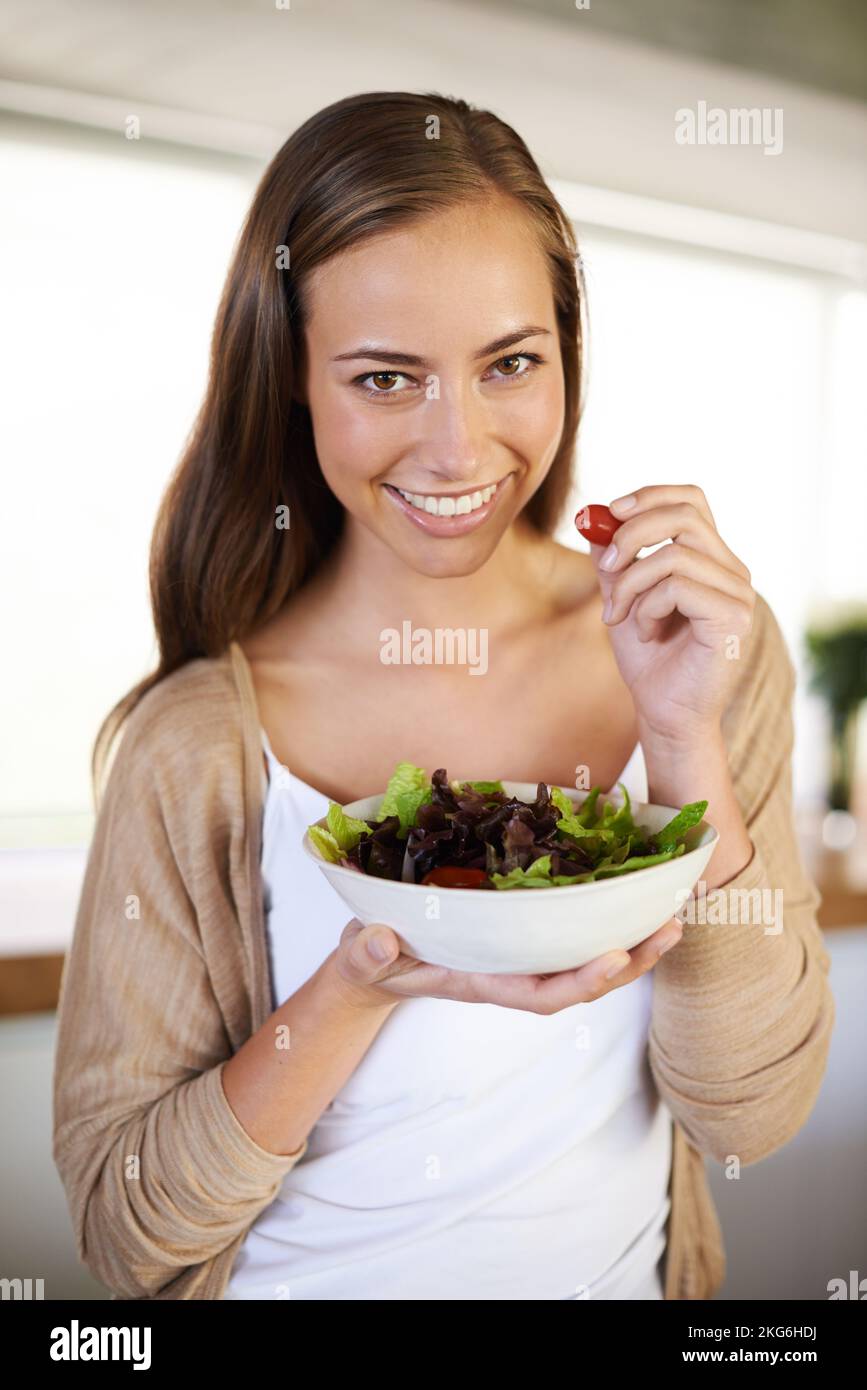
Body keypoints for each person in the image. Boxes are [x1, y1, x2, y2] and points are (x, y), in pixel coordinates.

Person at [53, 91, 834, 1302]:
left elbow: (752, 1111)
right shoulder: (198, 743)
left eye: (510, 363)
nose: (460, 451)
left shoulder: (701, 653)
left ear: (566, 353)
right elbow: (126, 1233)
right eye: (384, 378)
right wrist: (365, 977)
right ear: (295, 380)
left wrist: (682, 741)